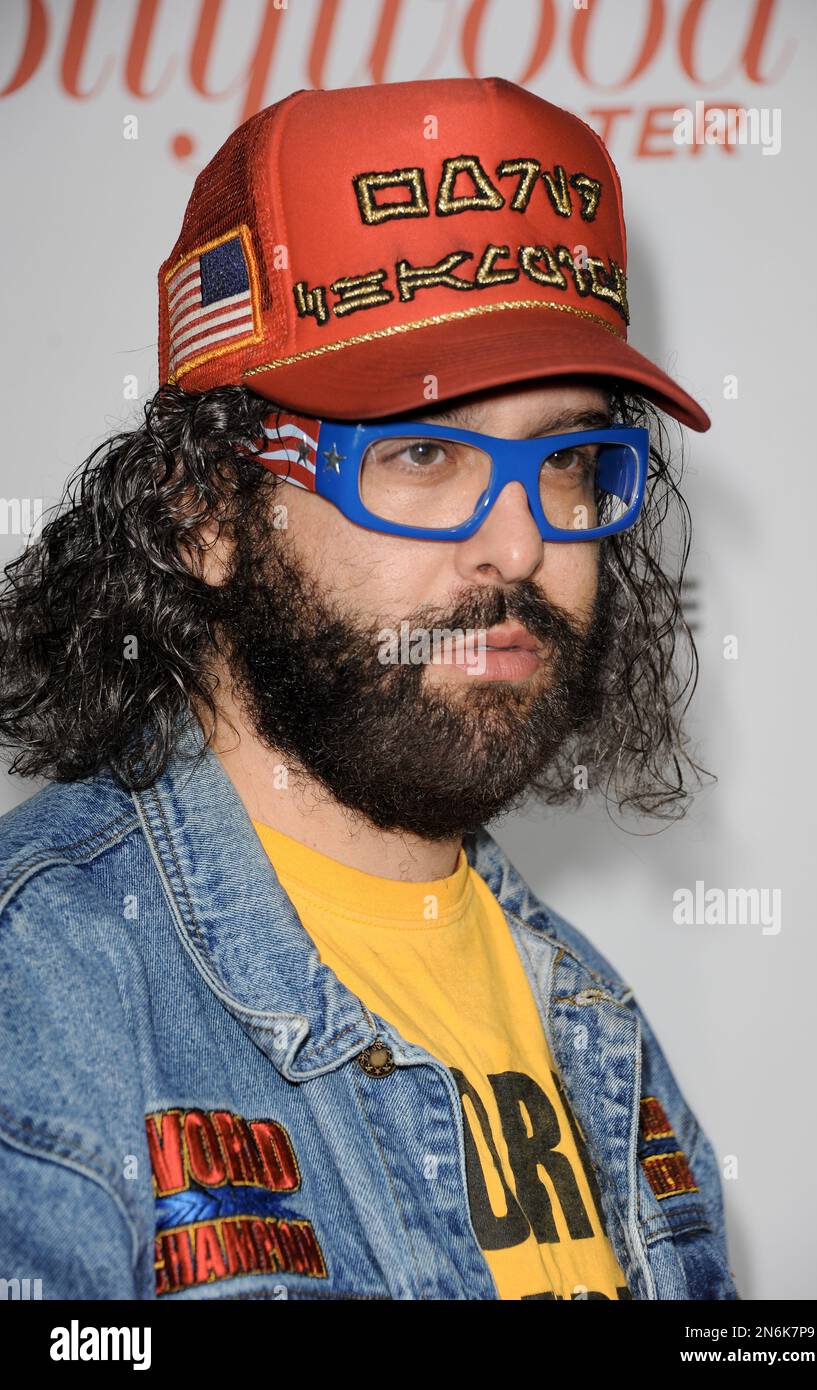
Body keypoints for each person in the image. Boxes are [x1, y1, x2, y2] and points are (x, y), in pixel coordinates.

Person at [0, 76, 737, 1301]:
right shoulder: (42, 1002)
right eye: (421, 452)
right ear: (204, 511)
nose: (516, 545)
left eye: (567, 459)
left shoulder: (593, 1019)